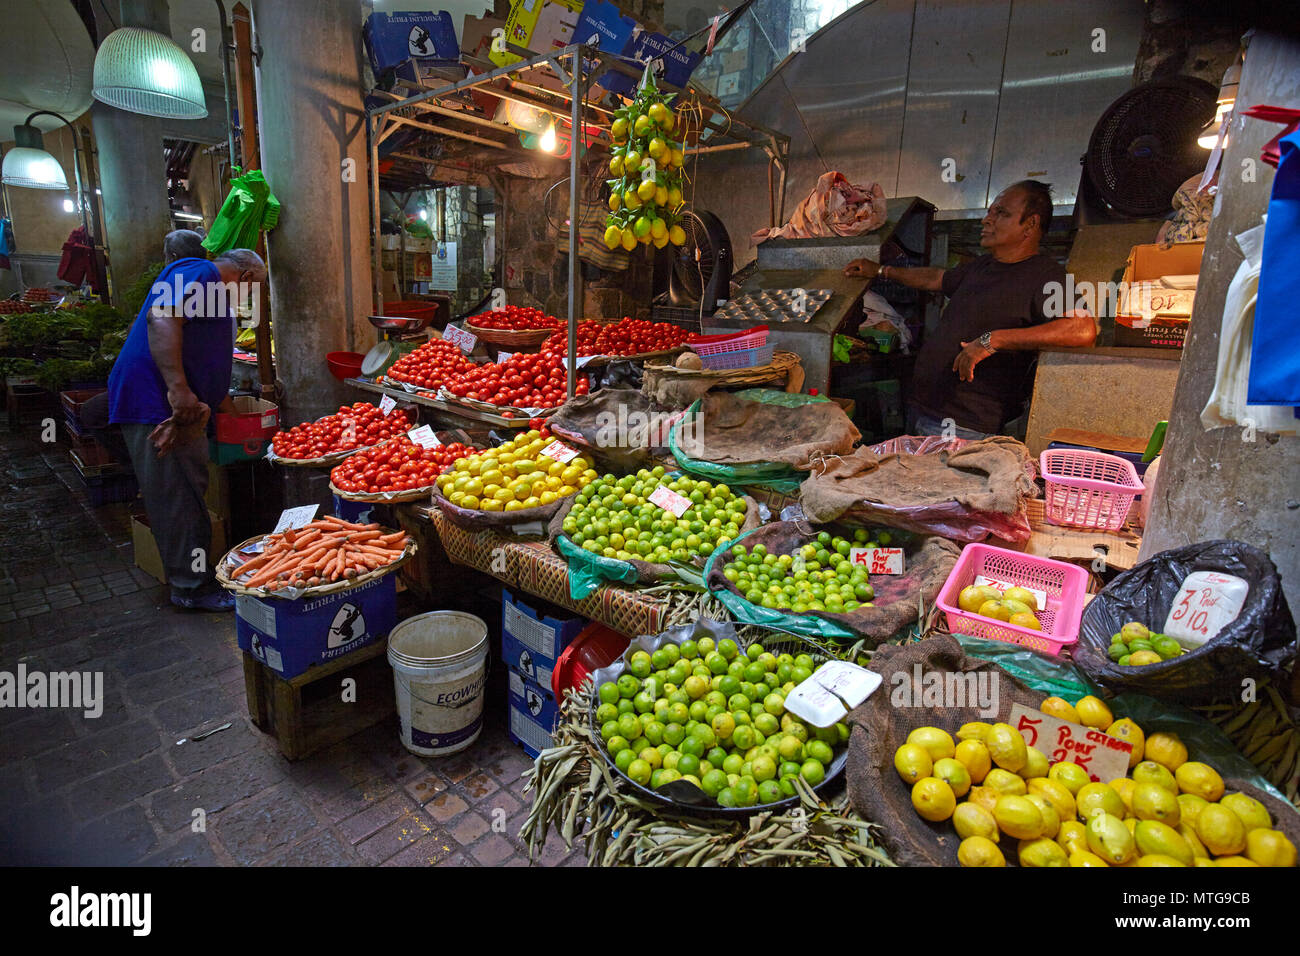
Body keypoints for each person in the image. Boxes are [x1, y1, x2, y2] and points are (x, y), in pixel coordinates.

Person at [845, 181, 1096, 439]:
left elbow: (1082, 329)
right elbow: (936, 279)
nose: (987, 220)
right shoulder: (983, 266)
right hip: (921, 407)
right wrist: (880, 271)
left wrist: (994, 339)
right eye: (990, 212)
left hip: (965, 425)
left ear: (1030, 225)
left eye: (1001, 213)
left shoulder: (1047, 275)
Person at [107, 248, 266, 611]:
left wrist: (225, 411)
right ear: (243, 277)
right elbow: (161, 317)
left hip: (173, 404)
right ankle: (192, 588)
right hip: (157, 403)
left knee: (186, 491)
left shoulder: (208, 295)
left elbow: (203, 357)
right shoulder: (202, 273)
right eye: (253, 288)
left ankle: (192, 580)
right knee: (179, 499)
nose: (249, 298)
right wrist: (178, 392)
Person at [82, 230, 212, 461]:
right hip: (155, 385)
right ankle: (141, 468)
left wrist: (178, 389)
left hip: (160, 387)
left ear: (170, 255)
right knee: (94, 413)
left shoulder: (191, 277)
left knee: (97, 415)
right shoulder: (182, 280)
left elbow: (162, 322)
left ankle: (145, 467)